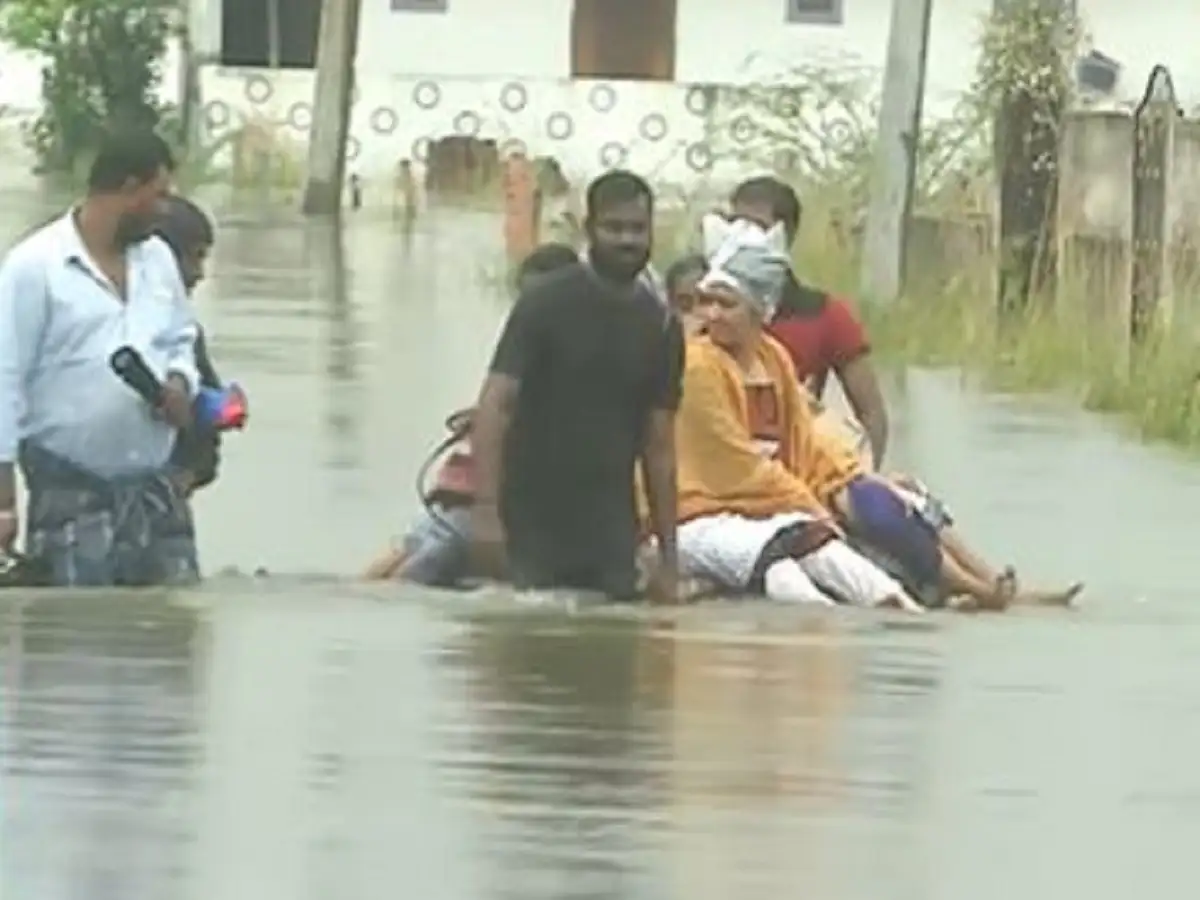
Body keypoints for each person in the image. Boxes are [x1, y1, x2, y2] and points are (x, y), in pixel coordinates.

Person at [670, 215, 920, 610]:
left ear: (760, 310)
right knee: (781, 564)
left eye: (726, 304)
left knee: (826, 547)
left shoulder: (774, 358)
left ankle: (903, 613)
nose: (711, 315)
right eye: (706, 302)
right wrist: (808, 504)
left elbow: (801, 445)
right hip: (700, 512)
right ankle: (823, 624)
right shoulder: (698, 364)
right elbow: (736, 464)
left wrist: (847, 484)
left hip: (770, 509)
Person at [470, 171, 684, 601]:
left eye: (637, 229)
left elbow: (659, 445)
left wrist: (669, 557)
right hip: (530, 516)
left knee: (609, 636)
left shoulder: (660, 324)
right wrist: (486, 513)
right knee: (525, 631)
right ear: (589, 230)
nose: (627, 240)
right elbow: (495, 405)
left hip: (609, 527)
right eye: (614, 228)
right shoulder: (545, 302)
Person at [0, 130, 201, 586]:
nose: (166, 209)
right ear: (128, 189)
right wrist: (4, 503)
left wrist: (179, 382)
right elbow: (4, 384)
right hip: (70, 488)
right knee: (77, 619)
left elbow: (181, 339)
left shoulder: (158, 259)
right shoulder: (34, 266)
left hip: (156, 486)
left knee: (175, 617)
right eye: (159, 195)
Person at [363, 242, 582, 585]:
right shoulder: (523, 351)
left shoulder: (581, 354)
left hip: (499, 508)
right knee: (411, 545)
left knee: (429, 553)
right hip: (466, 500)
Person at [729, 176, 890, 466]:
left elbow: (871, 413)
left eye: (758, 227)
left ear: (786, 234)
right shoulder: (706, 309)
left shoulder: (826, 314)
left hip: (798, 471)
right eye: (736, 226)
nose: (744, 238)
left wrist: (864, 476)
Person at [153, 194, 227, 496]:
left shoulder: (187, 335)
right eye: (194, 258)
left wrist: (189, 473)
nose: (199, 274)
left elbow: (210, 431)